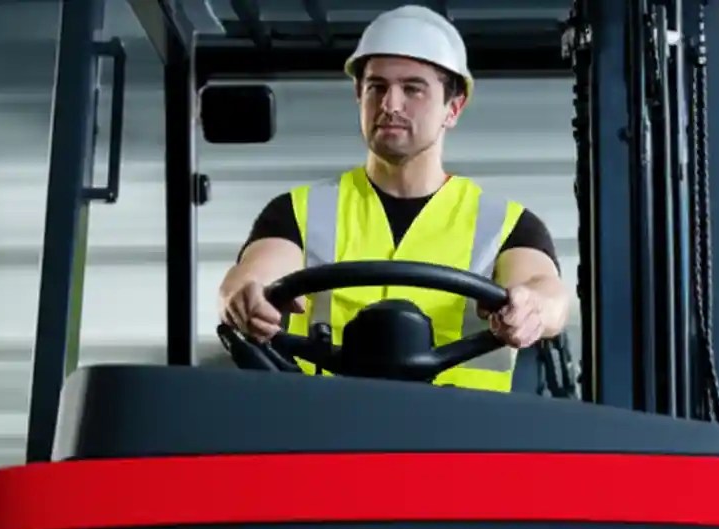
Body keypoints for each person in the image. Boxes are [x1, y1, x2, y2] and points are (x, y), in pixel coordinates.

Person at [217, 4, 570, 393]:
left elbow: (544, 289)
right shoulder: (296, 213)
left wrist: (534, 307)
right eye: (377, 87)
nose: (390, 105)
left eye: (412, 89)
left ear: (453, 108)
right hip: (324, 436)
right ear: (359, 95)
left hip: (463, 441)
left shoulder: (508, 225)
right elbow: (251, 277)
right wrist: (242, 296)